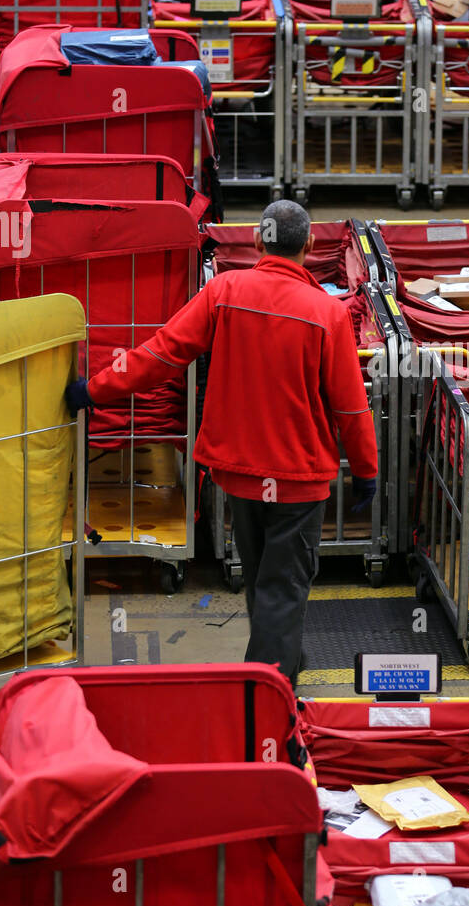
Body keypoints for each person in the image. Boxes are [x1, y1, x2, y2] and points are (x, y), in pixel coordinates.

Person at [65, 200, 378, 686]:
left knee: (261, 580)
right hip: (298, 480)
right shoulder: (326, 313)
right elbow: (350, 406)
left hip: (240, 473)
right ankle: (265, 692)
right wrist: (366, 468)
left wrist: (95, 389)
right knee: (284, 585)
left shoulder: (224, 291)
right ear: (310, 246)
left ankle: (283, 658)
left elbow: (161, 353)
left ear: (257, 243)